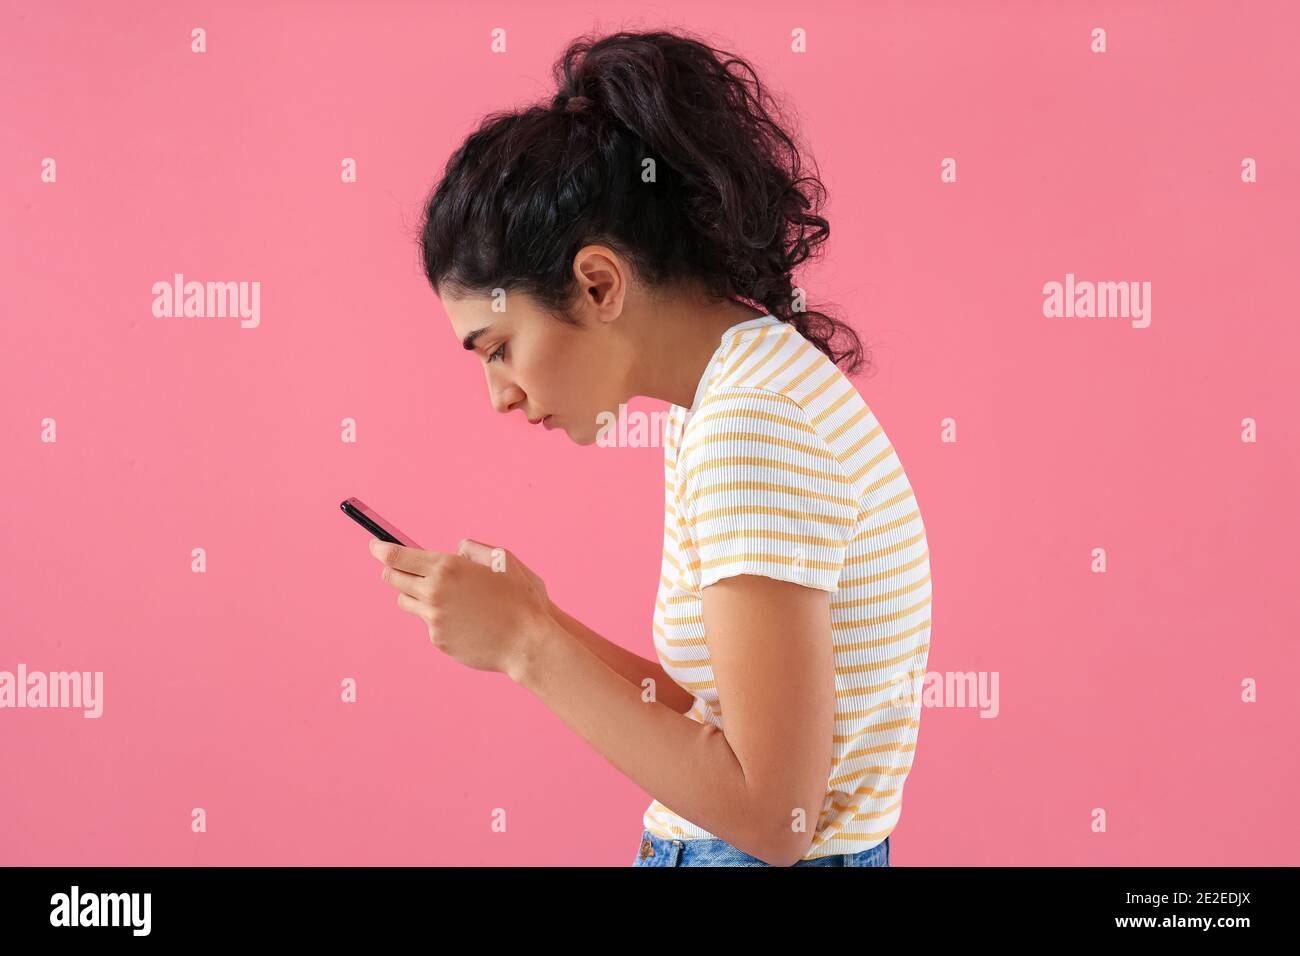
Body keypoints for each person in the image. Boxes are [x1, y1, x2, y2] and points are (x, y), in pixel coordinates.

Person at [373, 29, 932, 867]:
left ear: (598, 284)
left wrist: (527, 649)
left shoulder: (751, 426)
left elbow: (774, 818)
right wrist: (537, 616)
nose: (501, 395)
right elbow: (714, 709)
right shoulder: (742, 382)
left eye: (498, 347)